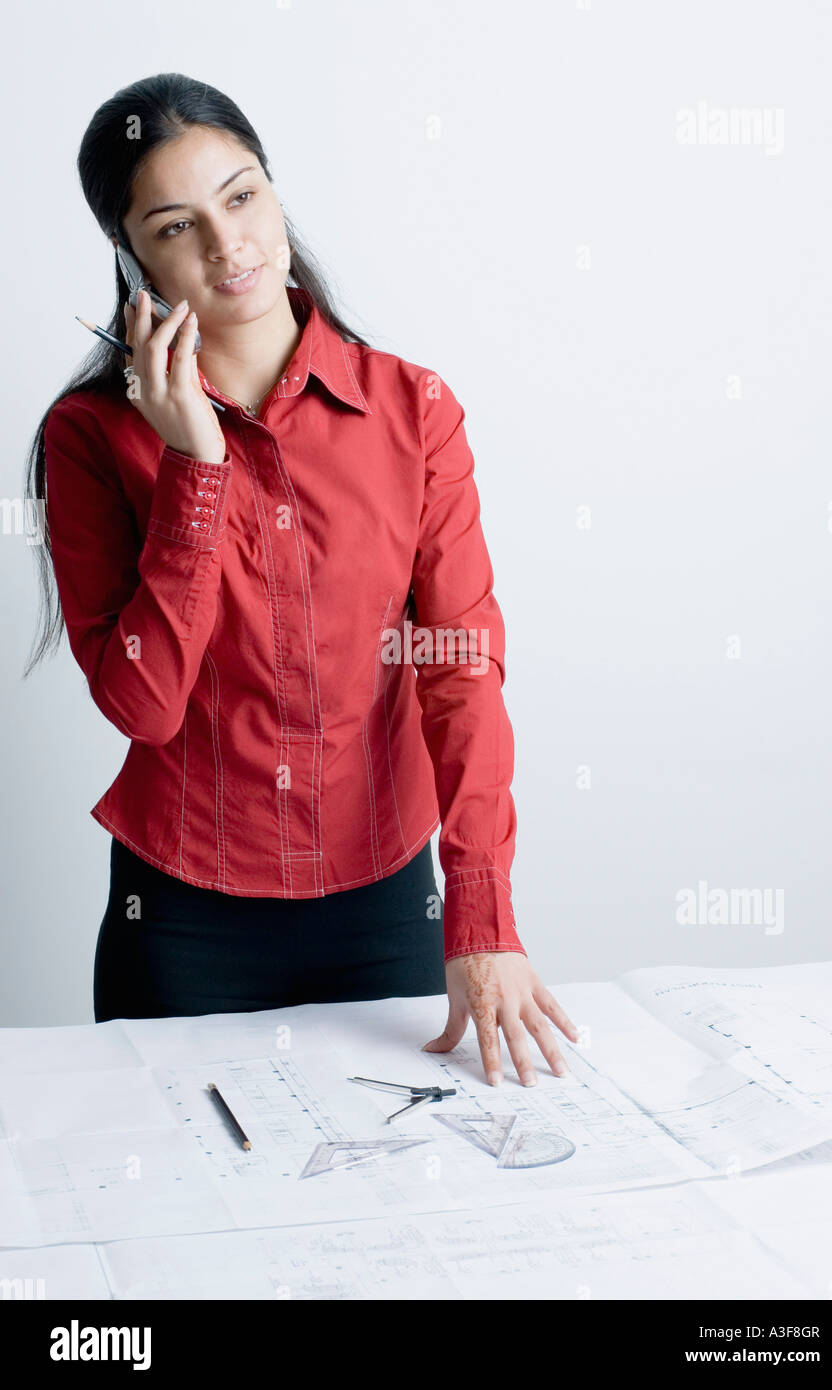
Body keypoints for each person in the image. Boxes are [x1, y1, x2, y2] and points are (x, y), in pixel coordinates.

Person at [23, 73, 579, 1086]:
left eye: (241, 197)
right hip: (181, 919)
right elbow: (142, 706)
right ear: (131, 256)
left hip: (389, 906)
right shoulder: (92, 437)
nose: (228, 247)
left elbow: (459, 669)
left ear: (275, 190)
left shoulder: (414, 412)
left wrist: (483, 913)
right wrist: (195, 466)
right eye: (176, 226)